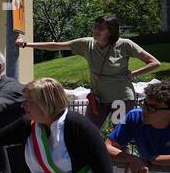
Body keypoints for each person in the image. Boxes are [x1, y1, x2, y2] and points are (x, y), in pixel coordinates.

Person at [16, 15, 161, 127]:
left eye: (101, 29)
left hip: (120, 99)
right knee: (88, 130)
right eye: (95, 27)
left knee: (119, 134)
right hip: (97, 100)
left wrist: (133, 74)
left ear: (110, 32)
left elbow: (154, 63)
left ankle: (122, 165)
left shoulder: (125, 45)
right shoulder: (87, 44)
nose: (96, 31)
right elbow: (56, 46)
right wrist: (26, 44)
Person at [105, 80, 170, 173]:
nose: (144, 111)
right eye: (144, 104)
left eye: (152, 108)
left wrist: (152, 160)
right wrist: (132, 159)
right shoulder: (134, 117)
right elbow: (106, 147)